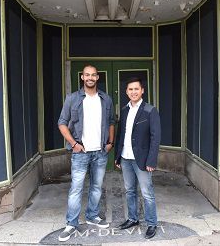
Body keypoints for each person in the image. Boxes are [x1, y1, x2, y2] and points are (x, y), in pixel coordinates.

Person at [57, 65, 115, 242]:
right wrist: (73, 143)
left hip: (100, 151)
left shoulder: (106, 99)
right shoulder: (72, 98)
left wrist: (110, 143)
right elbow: (62, 122)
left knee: (97, 187)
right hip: (80, 152)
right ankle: (71, 224)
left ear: (98, 78)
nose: (90, 77)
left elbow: (112, 121)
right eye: (87, 75)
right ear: (82, 77)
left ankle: (92, 216)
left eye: (93, 75)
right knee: (76, 188)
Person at [114, 77, 161, 239]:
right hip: (126, 158)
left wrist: (151, 160)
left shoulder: (150, 110)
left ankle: (151, 223)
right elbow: (121, 135)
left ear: (142, 91)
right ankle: (133, 218)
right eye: (130, 89)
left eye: (136, 89)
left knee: (147, 193)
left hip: (142, 159)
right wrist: (117, 156)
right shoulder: (125, 109)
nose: (133, 92)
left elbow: (155, 138)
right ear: (126, 92)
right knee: (130, 191)